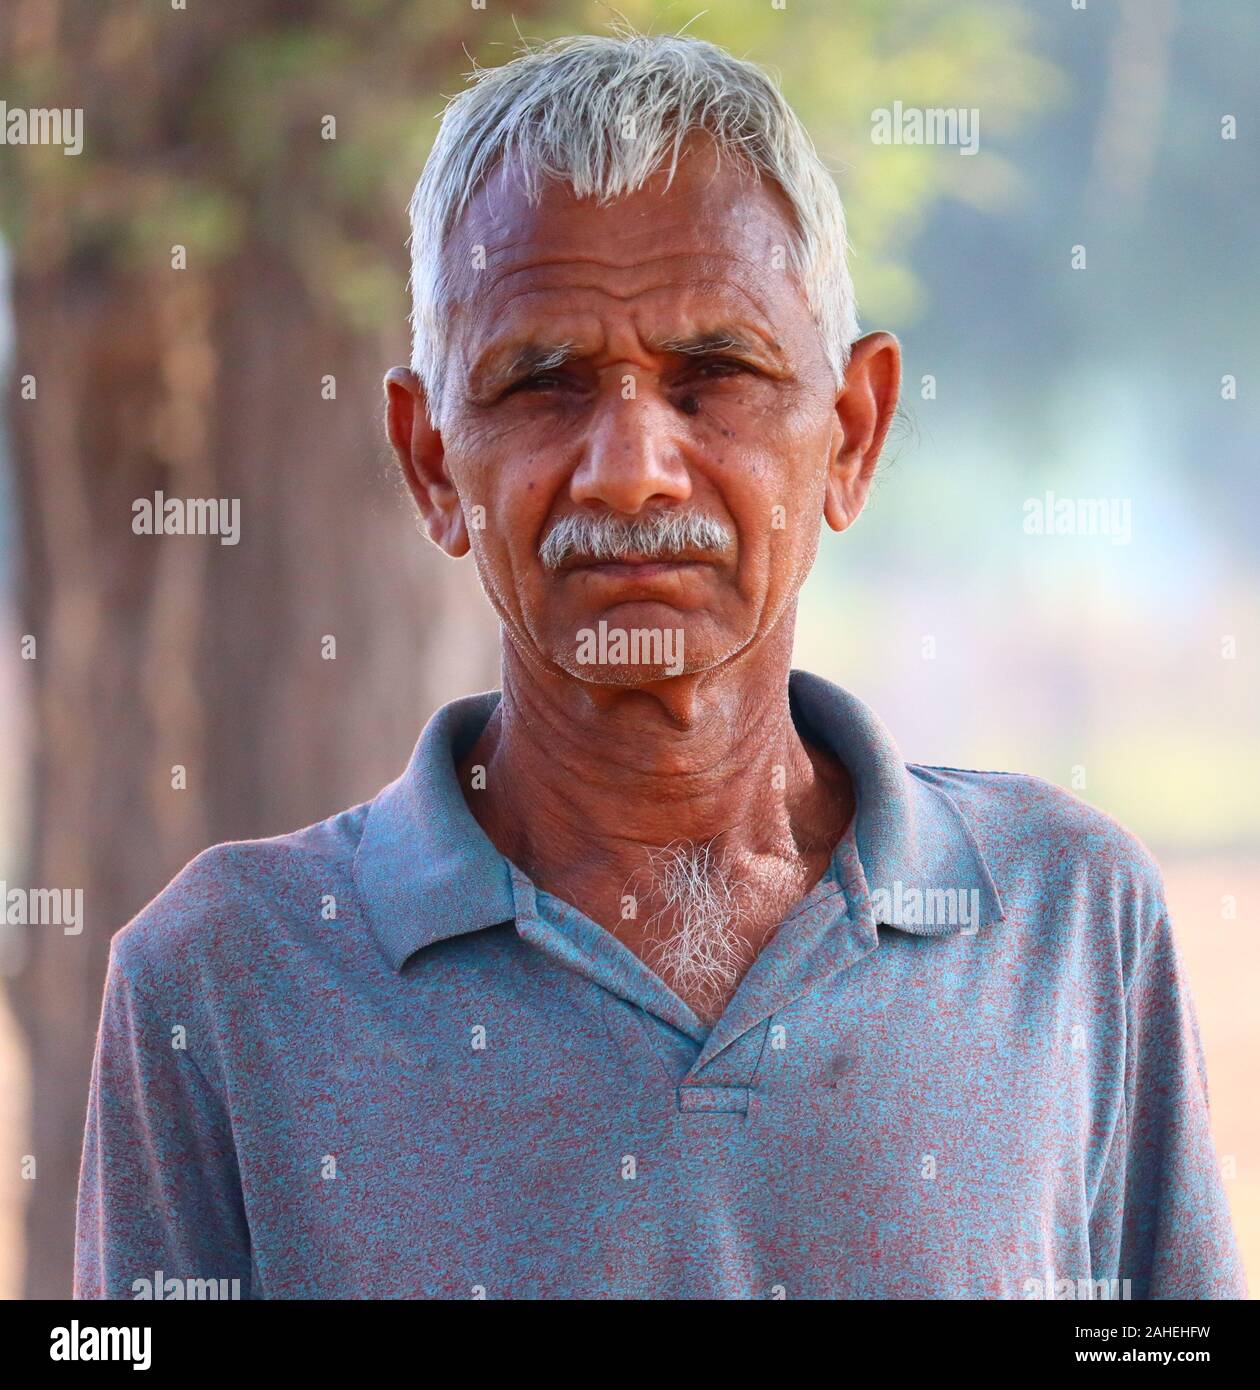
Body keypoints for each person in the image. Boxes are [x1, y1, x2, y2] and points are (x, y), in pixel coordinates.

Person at [75, 31, 1245, 1300]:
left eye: (714, 375)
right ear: (429, 462)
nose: (630, 467)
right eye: (542, 381)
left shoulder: (1064, 920)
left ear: (852, 433)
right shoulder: (223, 980)